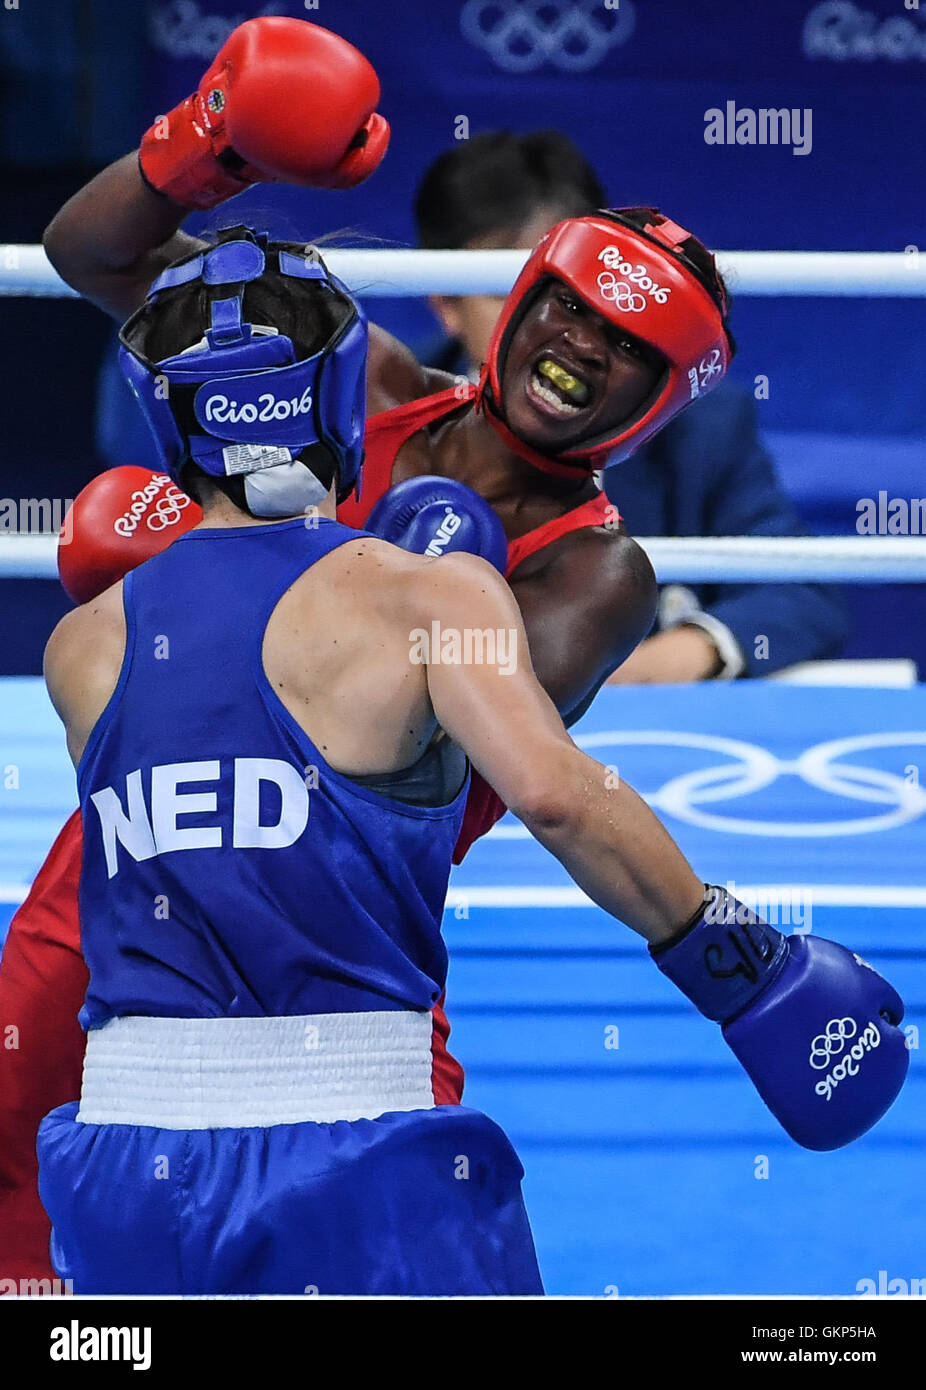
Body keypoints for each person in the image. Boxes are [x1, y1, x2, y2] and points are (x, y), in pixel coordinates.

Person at [0, 15, 893, 1285]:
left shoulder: (595, 569)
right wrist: (213, 145)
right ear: (522, 295)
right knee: (18, 1167)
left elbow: (483, 771)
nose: (585, 345)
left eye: (628, 345)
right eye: (575, 308)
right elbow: (95, 253)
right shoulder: (345, 369)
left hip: (339, 913)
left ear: (658, 401)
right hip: (134, 850)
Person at [414, 130, 850, 682]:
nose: (575, 339)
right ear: (445, 304)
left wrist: (642, 668)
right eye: (511, 288)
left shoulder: (702, 429)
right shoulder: (389, 406)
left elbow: (805, 595)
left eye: (583, 290)